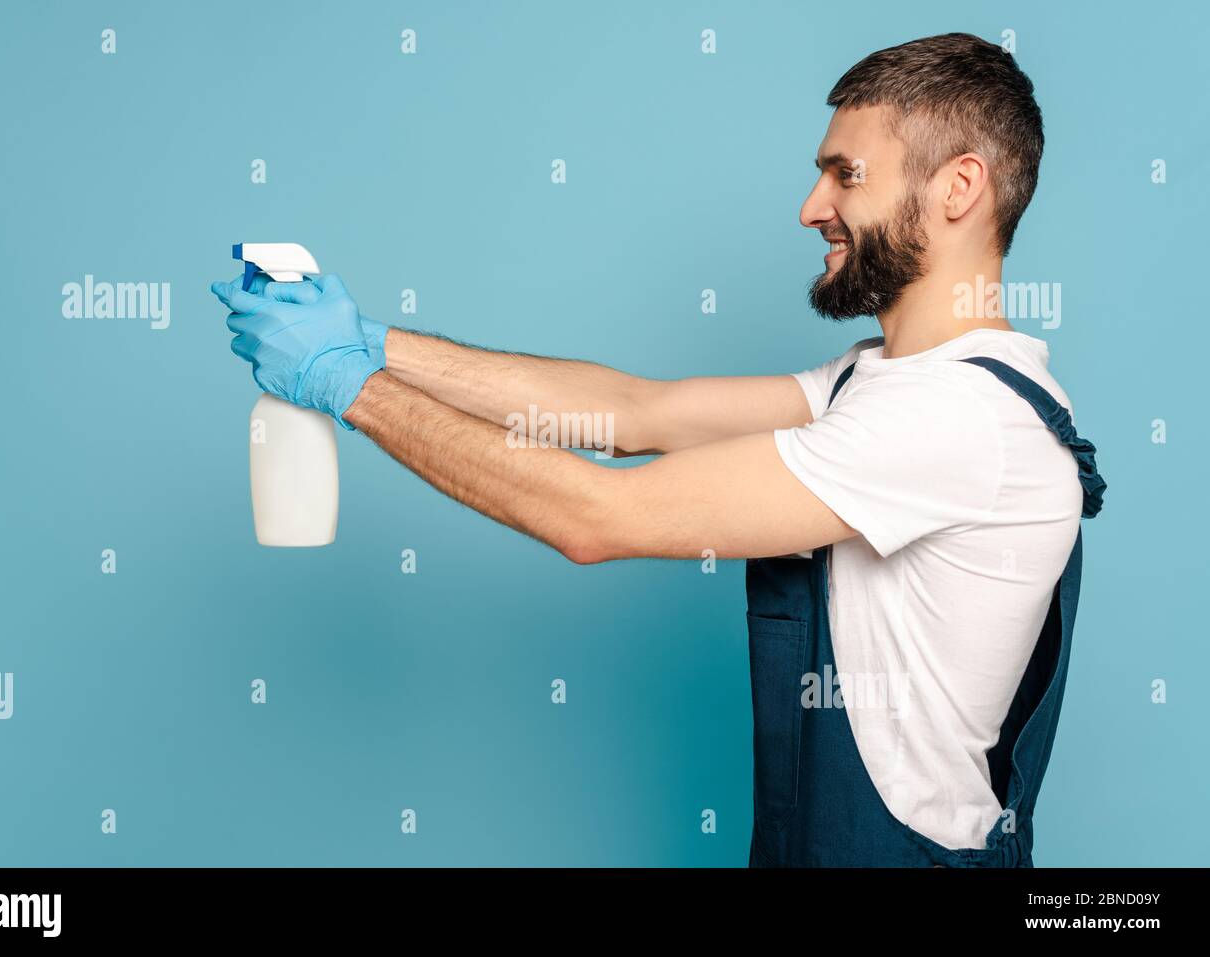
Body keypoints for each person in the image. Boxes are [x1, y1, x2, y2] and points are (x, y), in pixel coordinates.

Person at [211, 32, 1104, 867]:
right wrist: (374, 343)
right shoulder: (877, 383)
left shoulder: (954, 418)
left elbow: (597, 516)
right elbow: (633, 412)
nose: (810, 207)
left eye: (845, 175)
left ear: (958, 188)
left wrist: (346, 388)